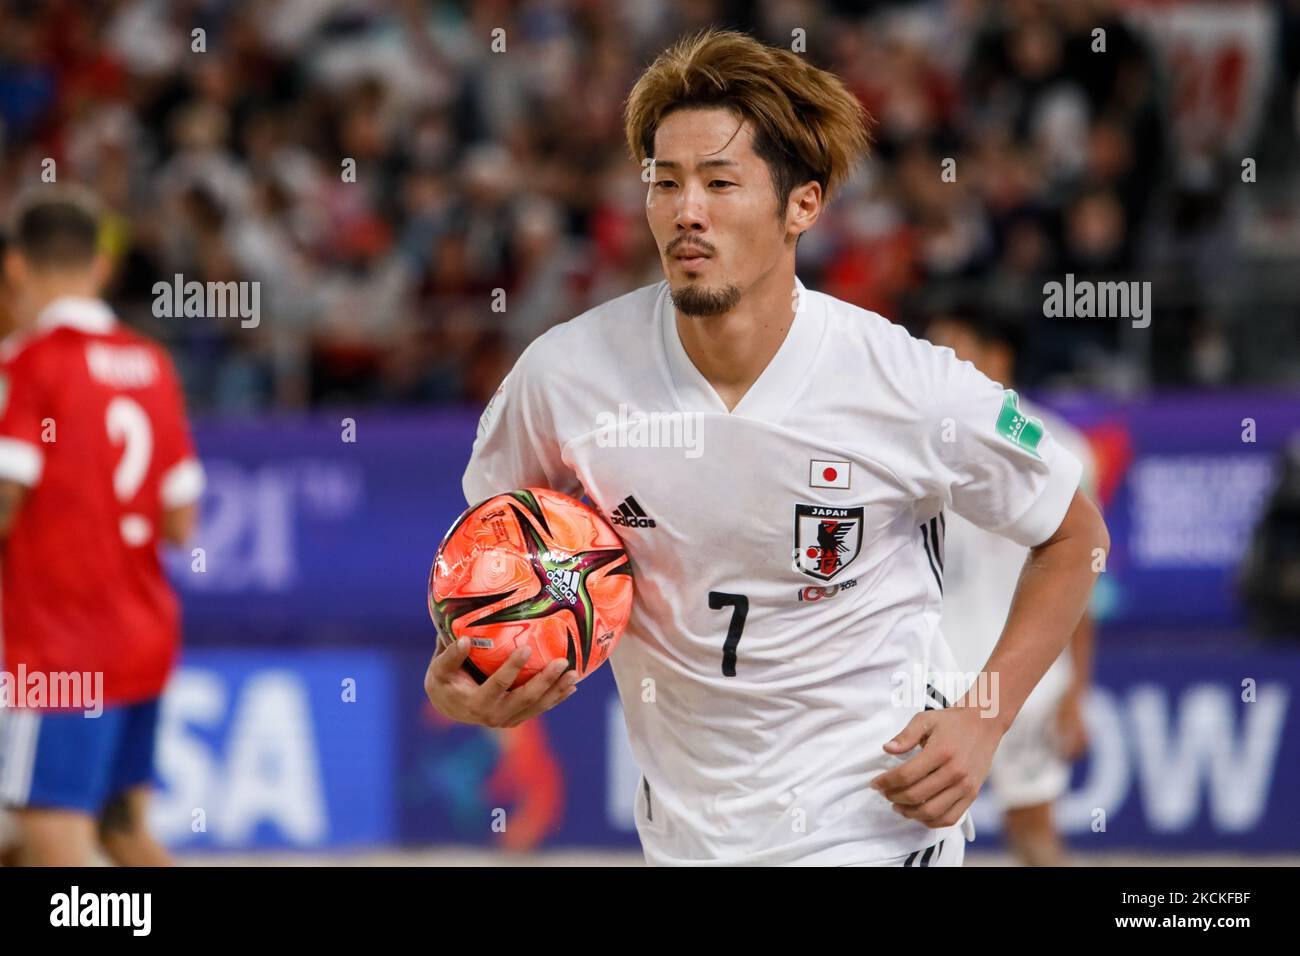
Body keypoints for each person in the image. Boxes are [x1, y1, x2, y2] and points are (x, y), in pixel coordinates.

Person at [424, 29, 1108, 866]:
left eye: (719, 182)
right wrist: (468, 673)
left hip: (875, 820)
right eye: (664, 183)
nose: (687, 211)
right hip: (685, 832)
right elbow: (488, 553)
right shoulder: (565, 377)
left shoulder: (904, 382)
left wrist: (983, 716)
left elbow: (1075, 535)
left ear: (802, 206)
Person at [0, 189, 205, 866]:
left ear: (16, 268)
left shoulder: (27, 364)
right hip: (141, 637)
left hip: (56, 650)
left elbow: (6, 494)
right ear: (100, 267)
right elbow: (181, 522)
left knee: (52, 838)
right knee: (122, 833)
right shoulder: (151, 365)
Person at [927, 306, 1096, 866]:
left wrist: (1076, 692)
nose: (940, 363)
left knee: (1031, 831)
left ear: (1000, 355)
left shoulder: (1062, 450)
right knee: (916, 836)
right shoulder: (918, 434)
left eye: (955, 347)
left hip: (1021, 675)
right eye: (935, 348)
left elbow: (1082, 573)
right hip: (938, 668)